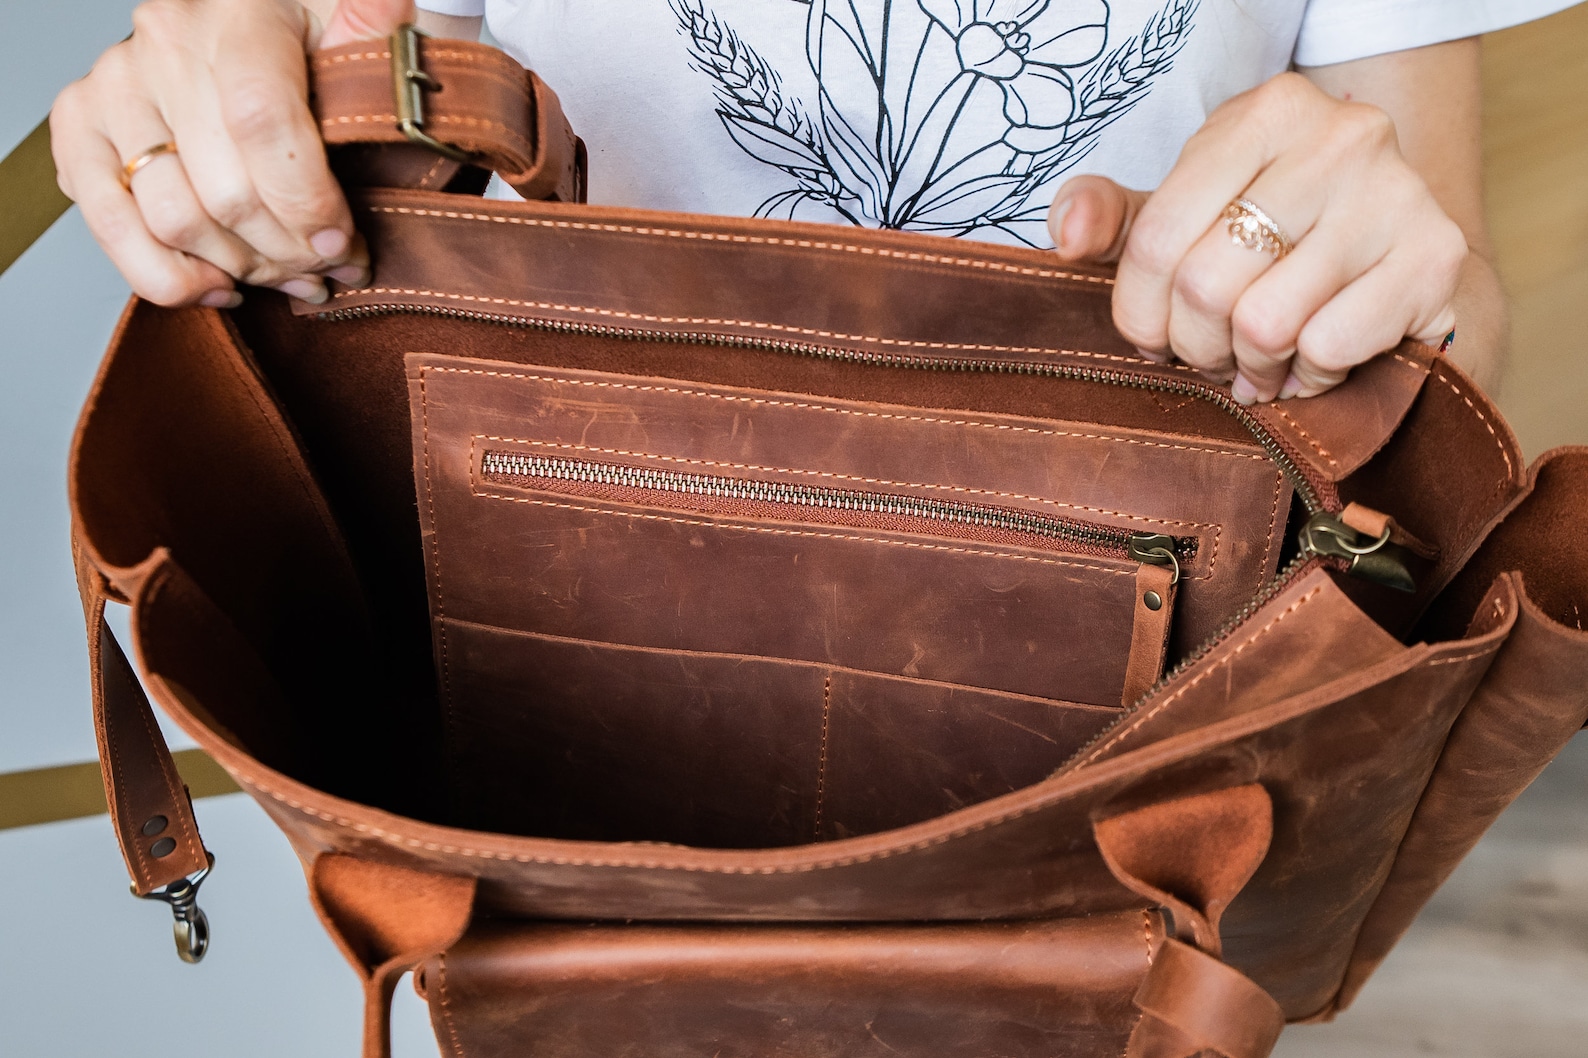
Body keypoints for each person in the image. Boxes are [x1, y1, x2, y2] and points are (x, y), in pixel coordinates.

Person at [49, 0, 1581, 405]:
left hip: (1141, 727)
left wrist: (1380, 286)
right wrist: (211, 122)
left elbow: (1457, 334)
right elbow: (334, 106)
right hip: (544, 658)